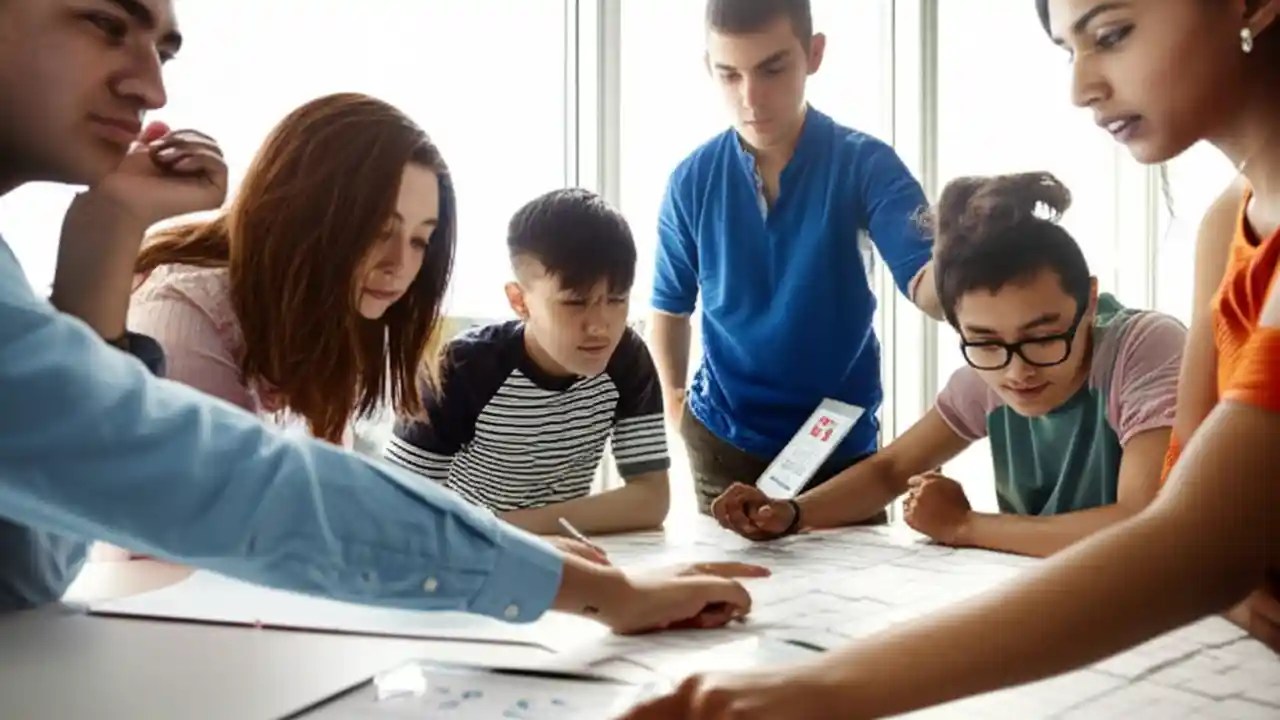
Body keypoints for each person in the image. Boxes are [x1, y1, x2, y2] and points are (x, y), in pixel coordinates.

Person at [0, 0, 760, 633]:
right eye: (104, 22)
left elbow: (34, 562)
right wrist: (584, 588)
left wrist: (106, 231)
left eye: (421, 242)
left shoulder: (335, 329)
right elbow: (239, 497)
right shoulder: (185, 312)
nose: (153, 90)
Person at [621, 0, 1280, 716]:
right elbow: (1197, 529)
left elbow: (1186, 537)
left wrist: (819, 688)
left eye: (1112, 35)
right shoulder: (1225, 227)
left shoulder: (860, 163)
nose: (1080, 87)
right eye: (1069, 51)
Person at [710, 172, 1184, 559]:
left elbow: (1144, 523)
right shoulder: (986, 375)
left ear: (1090, 301)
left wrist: (965, 525)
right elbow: (891, 470)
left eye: (1042, 337)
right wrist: (791, 513)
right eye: (983, 341)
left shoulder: (1144, 349)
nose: (1017, 372)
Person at [649, 0, 942, 516]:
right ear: (708, 69)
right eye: (729, 75)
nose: (751, 98)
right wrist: (674, 402)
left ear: (814, 53)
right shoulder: (690, 180)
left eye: (772, 68)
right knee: (732, 596)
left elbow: (926, 282)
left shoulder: (866, 163)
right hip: (723, 440)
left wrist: (981, 265)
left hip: (839, 449)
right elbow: (671, 306)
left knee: (859, 597)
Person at [128, 92, 451, 448]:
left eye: (421, 240)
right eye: (379, 231)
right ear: (304, 213)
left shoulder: (329, 324)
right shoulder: (181, 314)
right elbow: (225, 494)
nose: (400, 265)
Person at [386, 188, 670, 537]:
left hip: (551, 556)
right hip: (457, 560)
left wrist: (510, 531)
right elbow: (398, 508)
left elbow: (652, 499)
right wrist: (501, 538)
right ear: (520, 301)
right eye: (575, 303)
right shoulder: (459, 370)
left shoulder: (627, 359)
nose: (600, 325)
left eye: (616, 299)